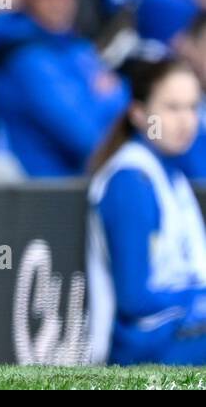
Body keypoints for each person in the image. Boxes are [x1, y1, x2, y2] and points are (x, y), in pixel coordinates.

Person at [87, 55, 206, 365]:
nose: (186, 120)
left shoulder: (172, 173)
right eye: (172, 108)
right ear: (139, 114)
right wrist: (196, 299)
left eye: (192, 107)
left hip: (182, 335)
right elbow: (134, 298)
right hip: (141, 350)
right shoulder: (130, 180)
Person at [0, 0, 129, 177]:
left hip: (81, 183)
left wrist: (111, 94)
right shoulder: (24, 59)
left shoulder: (76, 46)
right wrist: (109, 97)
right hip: (41, 193)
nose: (61, 2)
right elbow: (86, 138)